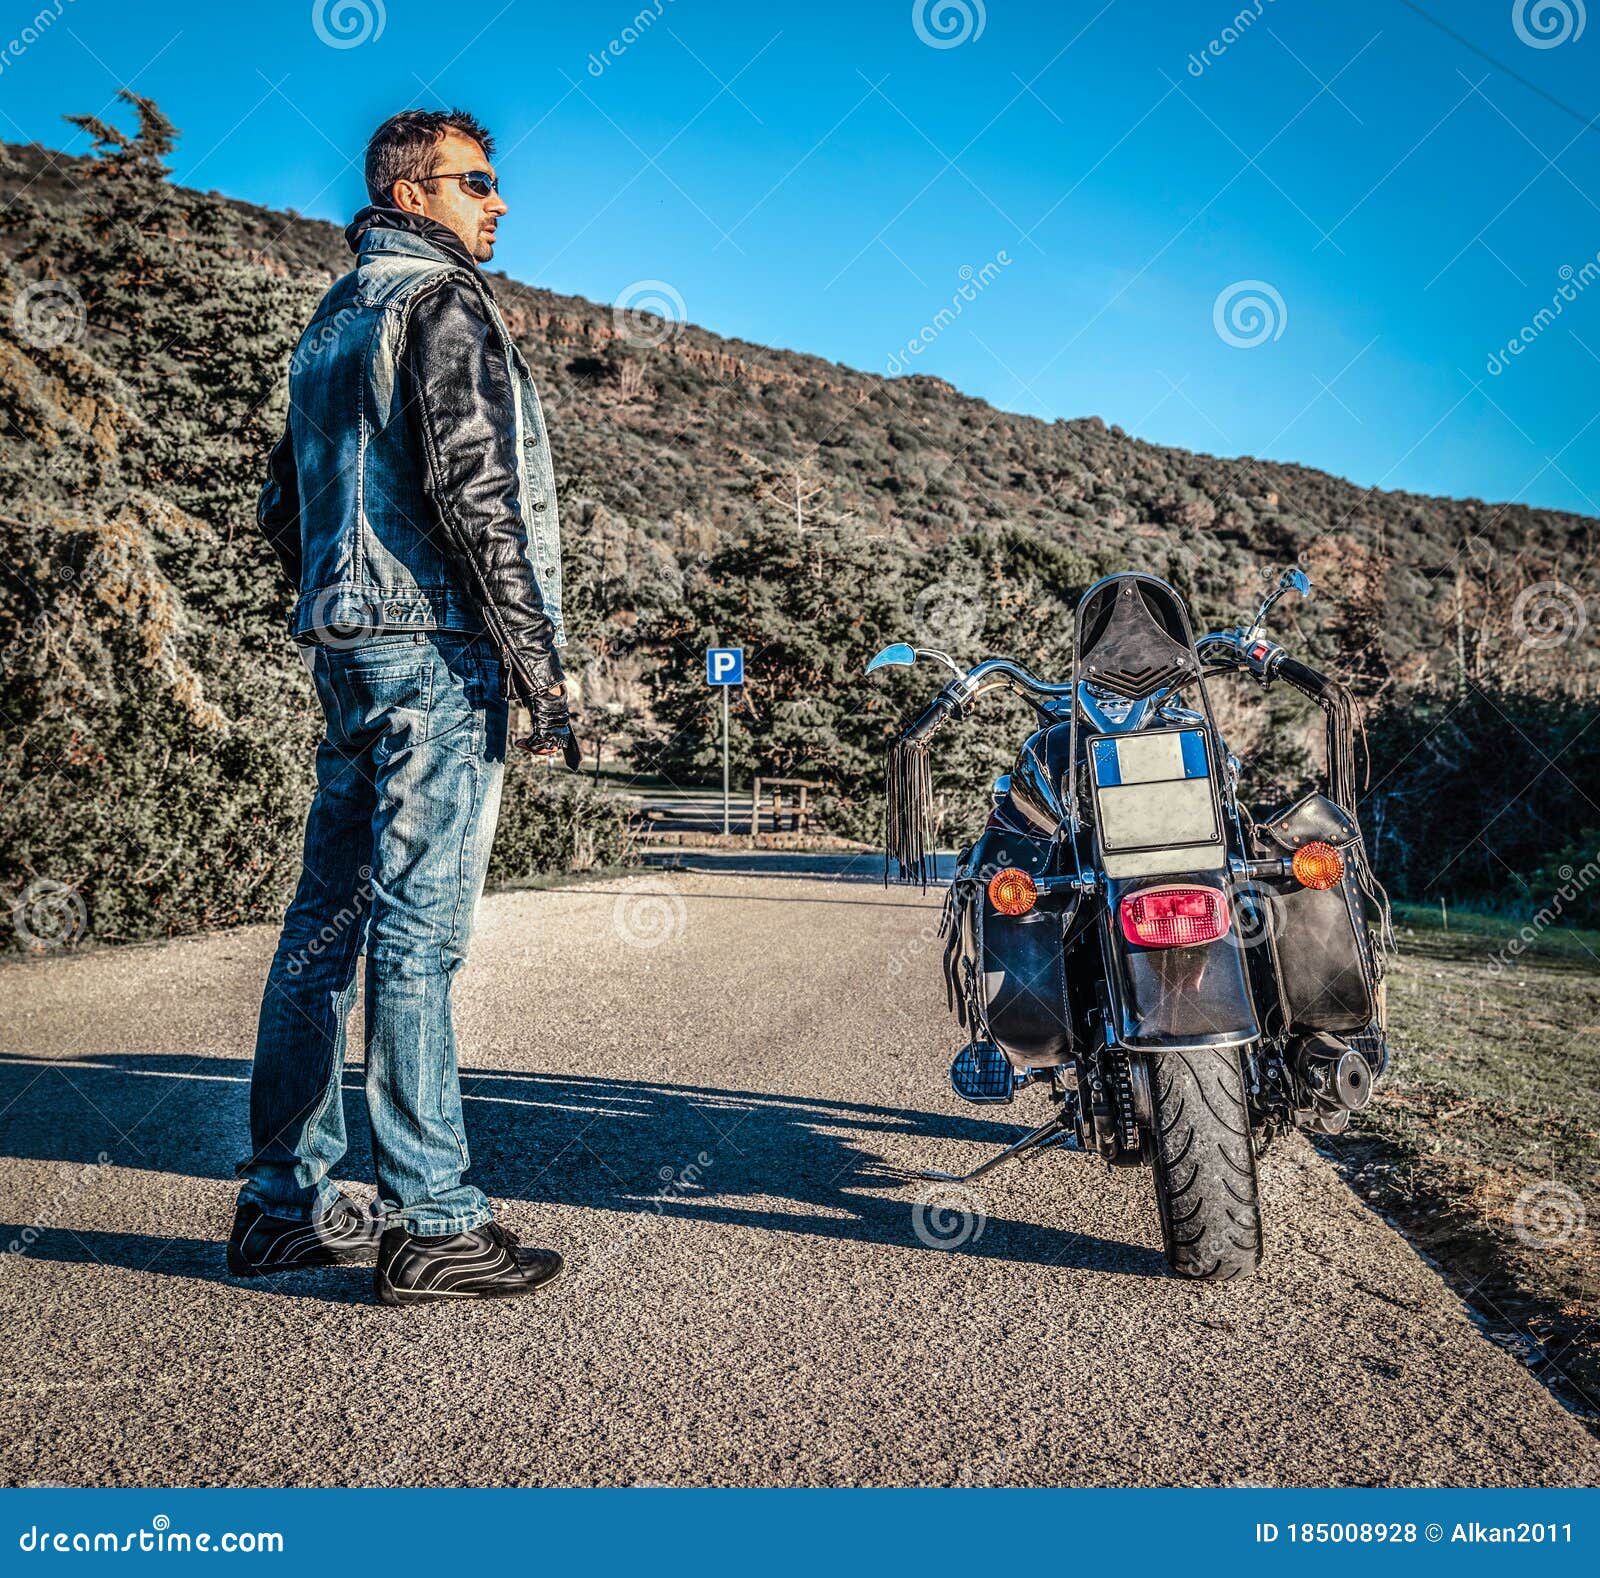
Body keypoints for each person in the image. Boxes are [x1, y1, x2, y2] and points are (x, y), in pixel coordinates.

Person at [229, 108, 573, 1306]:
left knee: (321, 936)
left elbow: (284, 506)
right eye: (479, 182)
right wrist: (539, 672)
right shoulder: (443, 305)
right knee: (417, 944)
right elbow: (477, 494)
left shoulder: (333, 318)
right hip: (432, 648)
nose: (500, 203)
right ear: (411, 191)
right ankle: (434, 1220)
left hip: (350, 647)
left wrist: (340, 607)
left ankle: (285, 1207)